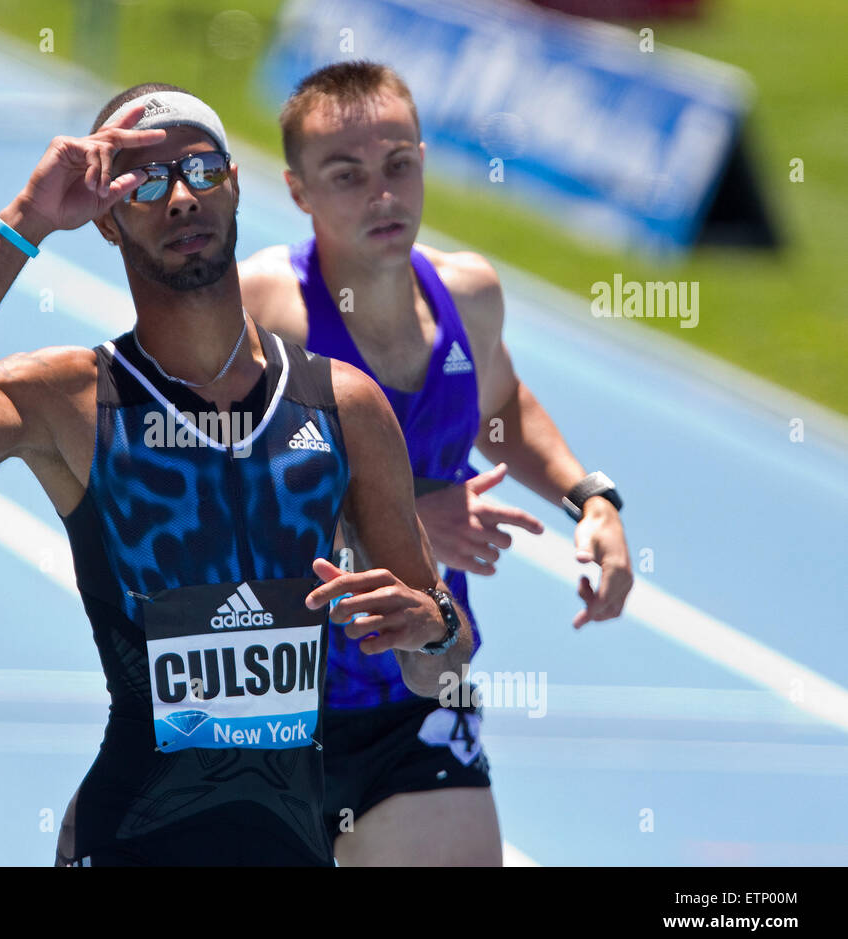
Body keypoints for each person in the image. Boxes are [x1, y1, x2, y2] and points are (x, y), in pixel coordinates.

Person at [0, 84, 476, 866]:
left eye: (201, 170)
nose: (181, 197)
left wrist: (433, 626)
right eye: (144, 181)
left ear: (235, 183)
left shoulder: (343, 404)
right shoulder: (70, 399)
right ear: (105, 218)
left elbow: (439, 669)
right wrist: (27, 220)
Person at [239, 60, 634, 866]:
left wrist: (589, 499)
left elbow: (501, 404)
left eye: (399, 166)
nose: (382, 194)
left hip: (417, 683)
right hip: (259, 691)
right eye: (346, 175)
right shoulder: (262, 311)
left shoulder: (469, 292)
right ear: (298, 191)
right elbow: (205, 489)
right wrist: (403, 521)